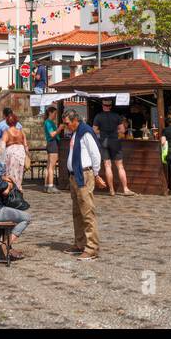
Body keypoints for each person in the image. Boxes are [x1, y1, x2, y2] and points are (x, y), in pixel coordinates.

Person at [63, 109, 100, 260]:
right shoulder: (75, 133)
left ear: (75, 120)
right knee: (77, 212)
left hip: (84, 175)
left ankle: (92, 247)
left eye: (67, 123)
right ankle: (80, 243)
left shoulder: (85, 132)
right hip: (75, 176)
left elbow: (95, 154)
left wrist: (96, 174)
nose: (66, 126)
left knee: (87, 212)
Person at [93, 100, 133, 196]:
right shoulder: (116, 116)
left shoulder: (98, 116)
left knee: (107, 166)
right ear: (110, 106)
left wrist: (102, 132)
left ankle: (111, 190)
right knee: (120, 166)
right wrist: (115, 132)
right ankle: (125, 189)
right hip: (115, 141)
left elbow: (94, 130)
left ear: (103, 106)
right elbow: (122, 130)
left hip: (104, 142)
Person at [1, 112, 28, 190]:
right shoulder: (21, 132)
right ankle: (19, 188)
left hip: (11, 153)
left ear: (7, 122)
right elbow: (26, 146)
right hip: (20, 153)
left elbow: (2, 147)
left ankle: (11, 191)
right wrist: (27, 155)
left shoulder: (6, 132)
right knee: (19, 174)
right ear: (16, 122)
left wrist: (0, 160)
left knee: (10, 174)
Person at [43, 105, 61, 192]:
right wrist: (60, 129)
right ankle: (50, 185)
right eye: (54, 113)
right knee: (51, 166)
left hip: (51, 143)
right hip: (52, 143)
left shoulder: (49, 122)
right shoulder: (48, 122)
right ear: (50, 113)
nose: (55, 115)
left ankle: (46, 185)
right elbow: (52, 134)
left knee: (48, 166)